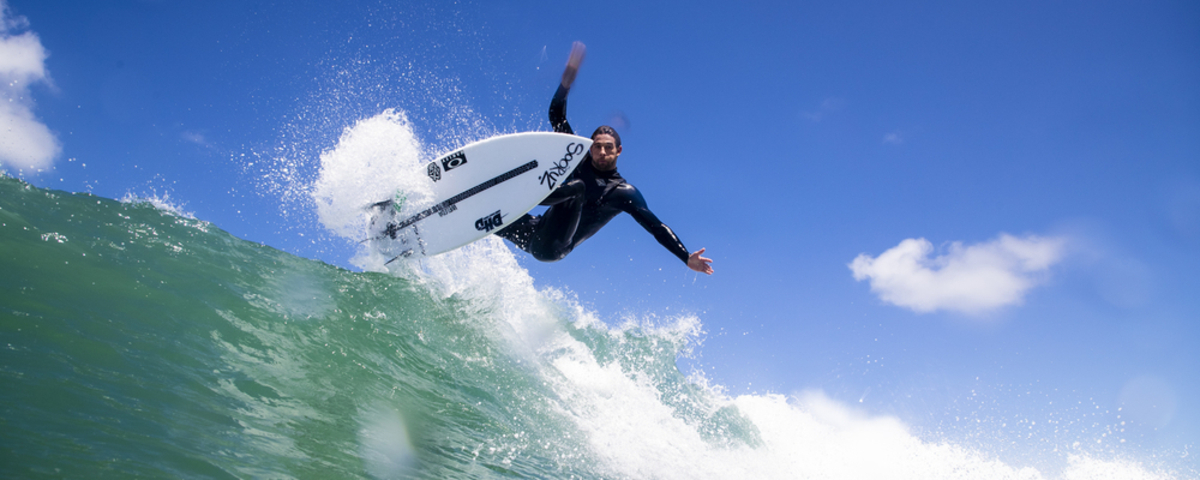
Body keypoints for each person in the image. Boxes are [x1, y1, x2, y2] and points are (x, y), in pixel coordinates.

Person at [496, 42, 714, 275]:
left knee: (577, 187)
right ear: (590, 148)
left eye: (608, 148)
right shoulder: (578, 157)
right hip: (535, 230)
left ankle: (525, 193)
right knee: (491, 219)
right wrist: (565, 85)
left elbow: (656, 227)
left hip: (553, 247)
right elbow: (556, 116)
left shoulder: (622, 192)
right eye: (597, 147)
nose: (601, 152)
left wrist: (685, 257)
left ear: (619, 151)